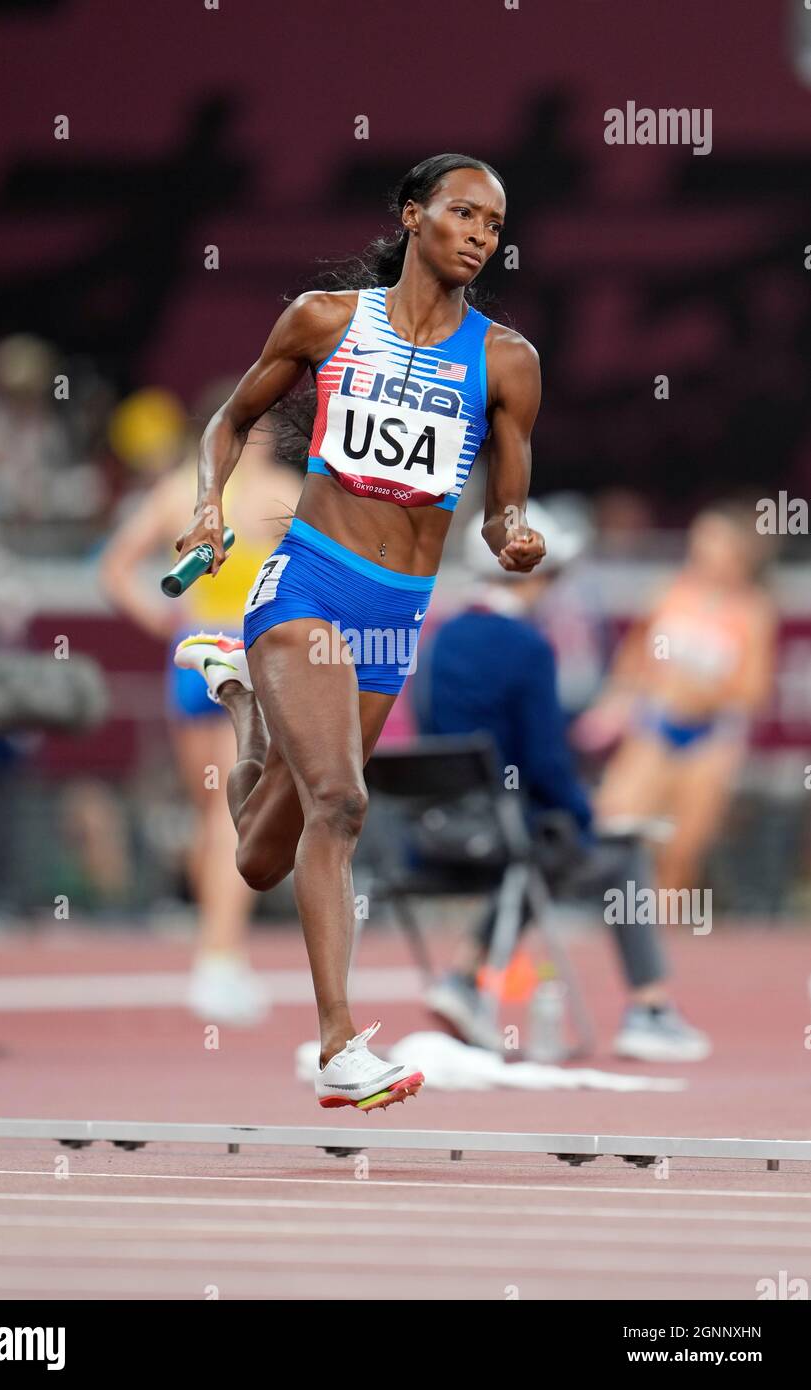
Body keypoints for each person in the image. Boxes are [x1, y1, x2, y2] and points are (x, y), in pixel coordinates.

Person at [172, 153, 547, 1112]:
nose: (478, 235)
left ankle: (245, 712)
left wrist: (514, 536)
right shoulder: (327, 319)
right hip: (310, 580)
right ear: (414, 215)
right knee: (341, 804)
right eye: (462, 213)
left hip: (397, 609)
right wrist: (210, 507)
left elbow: (505, 507)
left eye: (493, 226)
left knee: (262, 856)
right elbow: (232, 416)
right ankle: (340, 1046)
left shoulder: (507, 362)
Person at [412, 503, 711, 1063]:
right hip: (496, 834)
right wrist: (586, 815)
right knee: (616, 853)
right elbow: (546, 763)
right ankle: (649, 1009)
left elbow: (437, 737)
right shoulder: (527, 647)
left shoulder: (439, 641)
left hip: (433, 832)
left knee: (536, 849)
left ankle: (462, 977)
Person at [101, 388, 301, 1023]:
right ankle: (218, 958)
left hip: (192, 650)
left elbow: (114, 570)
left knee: (206, 807)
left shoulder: (182, 494)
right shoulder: (283, 495)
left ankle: (215, 951)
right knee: (232, 816)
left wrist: (166, 620)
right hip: (246, 654)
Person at [574, 503, 776, 896]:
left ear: (737, 553)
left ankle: (670, 933)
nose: (705, 552)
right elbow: (632, 661)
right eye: (700, 541)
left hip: (710, 736)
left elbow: (754, 689)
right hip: (656, 723)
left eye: (716, 543)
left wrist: (704, 690)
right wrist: (614, 704)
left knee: (682, 849)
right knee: (617, 817)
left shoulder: (753, 611)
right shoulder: (669, 594)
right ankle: (619, 919)